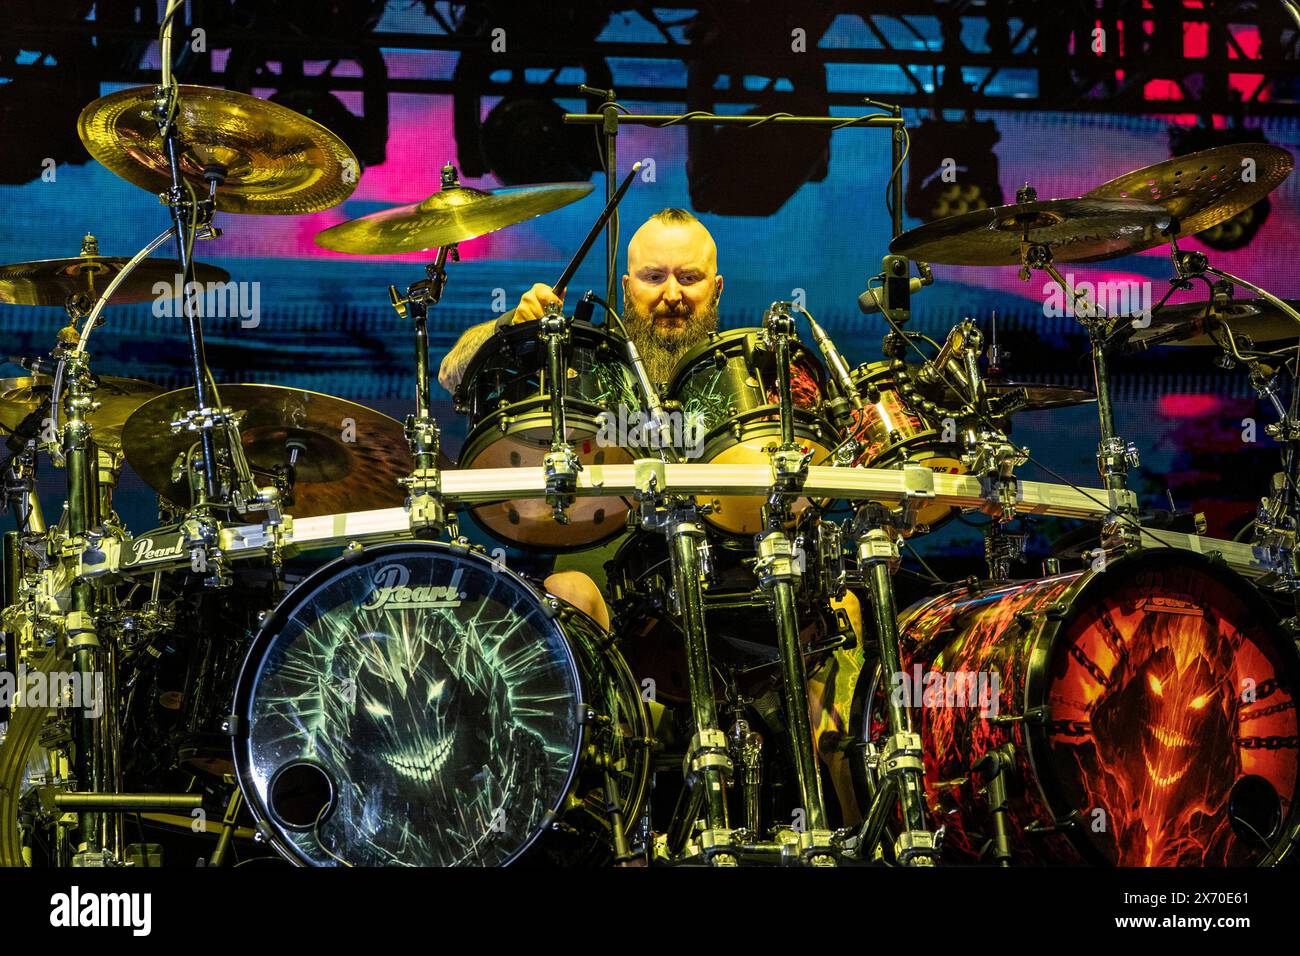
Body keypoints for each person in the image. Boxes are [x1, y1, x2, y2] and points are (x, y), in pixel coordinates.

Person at [439, 207, 865, 821]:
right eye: (653, 277)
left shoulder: (743, 381)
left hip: (738, 606)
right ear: (625, 287)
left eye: (689, 278)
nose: (671, 294)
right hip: (618, 612)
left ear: (717, 290)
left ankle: (861, 834)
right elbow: (455, 374)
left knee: (841, 605)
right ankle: (606, 837)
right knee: (566, 589)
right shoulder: (582, 366)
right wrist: (515, 323)